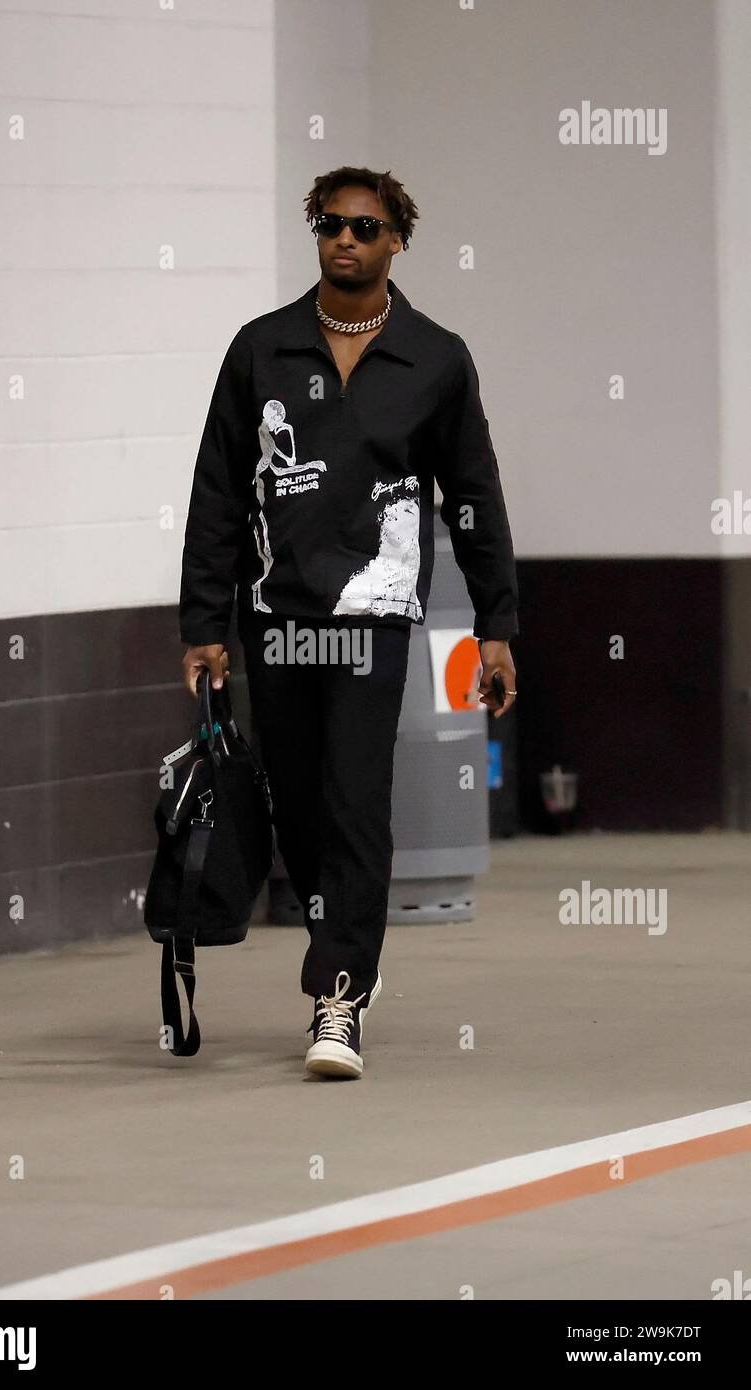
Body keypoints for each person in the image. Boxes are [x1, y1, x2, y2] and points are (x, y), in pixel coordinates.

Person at [179, 166, 518, 1080]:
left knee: (355, 797)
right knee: (297, 803)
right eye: (331, 224)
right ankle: (334, 951)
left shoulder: (436, 358)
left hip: (373, 620)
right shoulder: (261, 350)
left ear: (396, 240)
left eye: (366, 228)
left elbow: (475, 495)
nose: (346, 240)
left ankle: (340, 995)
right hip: (276, 617)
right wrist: (204, 620)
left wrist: (496, 622)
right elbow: (217, 493)